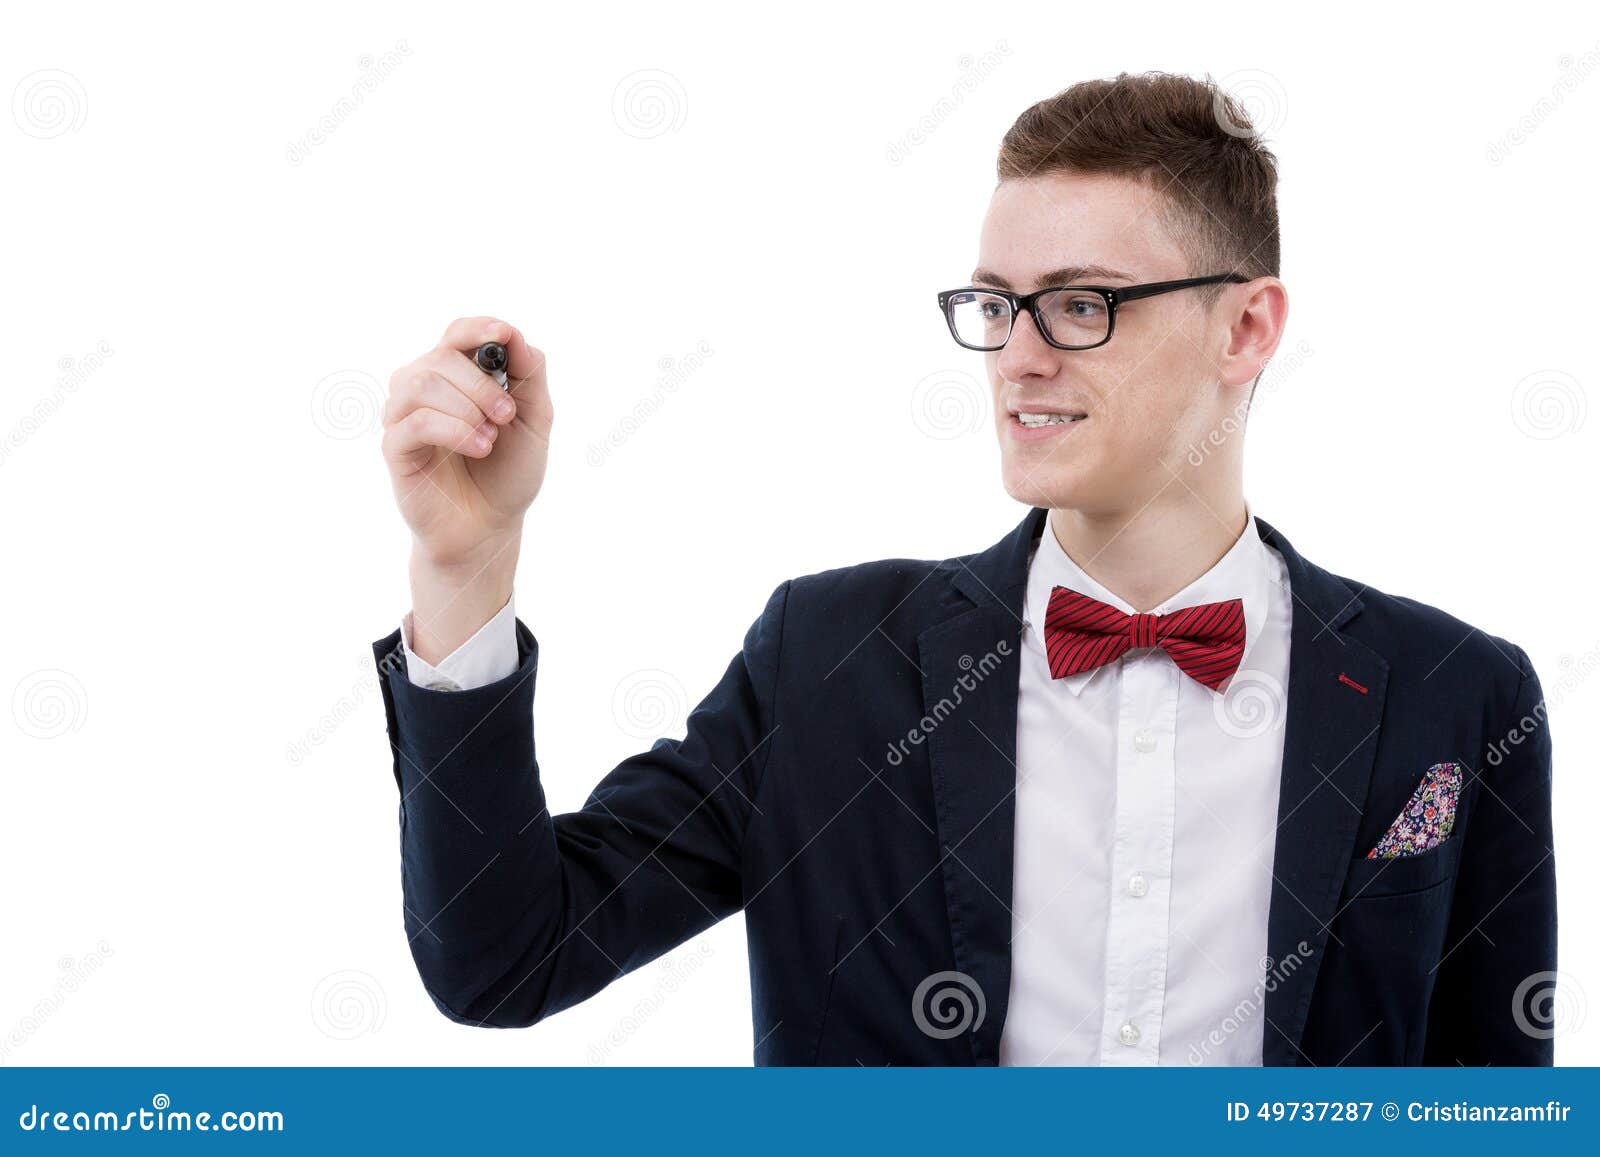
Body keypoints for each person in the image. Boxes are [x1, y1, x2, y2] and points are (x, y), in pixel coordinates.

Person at [371, 71, 1555, 1065]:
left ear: (1244, 329)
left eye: (1081, 303)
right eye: (997, 304)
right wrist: (464, 566)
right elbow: (506, 957)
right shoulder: (827, 658)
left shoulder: (1455, 693)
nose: (1018, 359)